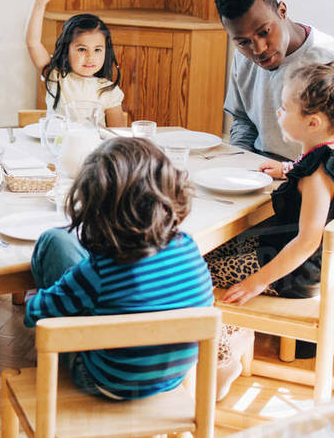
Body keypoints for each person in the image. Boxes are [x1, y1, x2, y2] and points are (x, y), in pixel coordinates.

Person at [205, 55, 334, 396]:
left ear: (313, 122)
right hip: (290, 258)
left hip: (293, 273)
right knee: (221, 248)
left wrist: (257, 282)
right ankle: (231, 337)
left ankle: (226, 348)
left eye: (285, 109)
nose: (278, 114)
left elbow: (306, 241)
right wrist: (287, 171)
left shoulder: (317, 176)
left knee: (197, 266)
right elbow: (328, 181)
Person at [25, 137, 214, 400]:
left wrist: (33, 299)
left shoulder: (99, 271)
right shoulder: (189, 245)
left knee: (54, 241)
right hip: (172, 377)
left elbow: (36, 315)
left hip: (107, 382)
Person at [215, 0, 334, 196]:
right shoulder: (243, 58)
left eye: (264, 32)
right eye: (243, 42)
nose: (258, 49)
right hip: (264, 181)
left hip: (318, 188)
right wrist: (238, 172)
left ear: (282, 11)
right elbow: (244, 122)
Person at [25, 0, 126, 127]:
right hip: (58, 147)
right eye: (82, 49)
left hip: (93, 149)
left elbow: (118, 136)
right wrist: (40, 3)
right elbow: (32, 42)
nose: (90, 56)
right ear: (67, 50)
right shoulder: (56, 76)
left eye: (97, 49)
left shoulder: (108, 90)